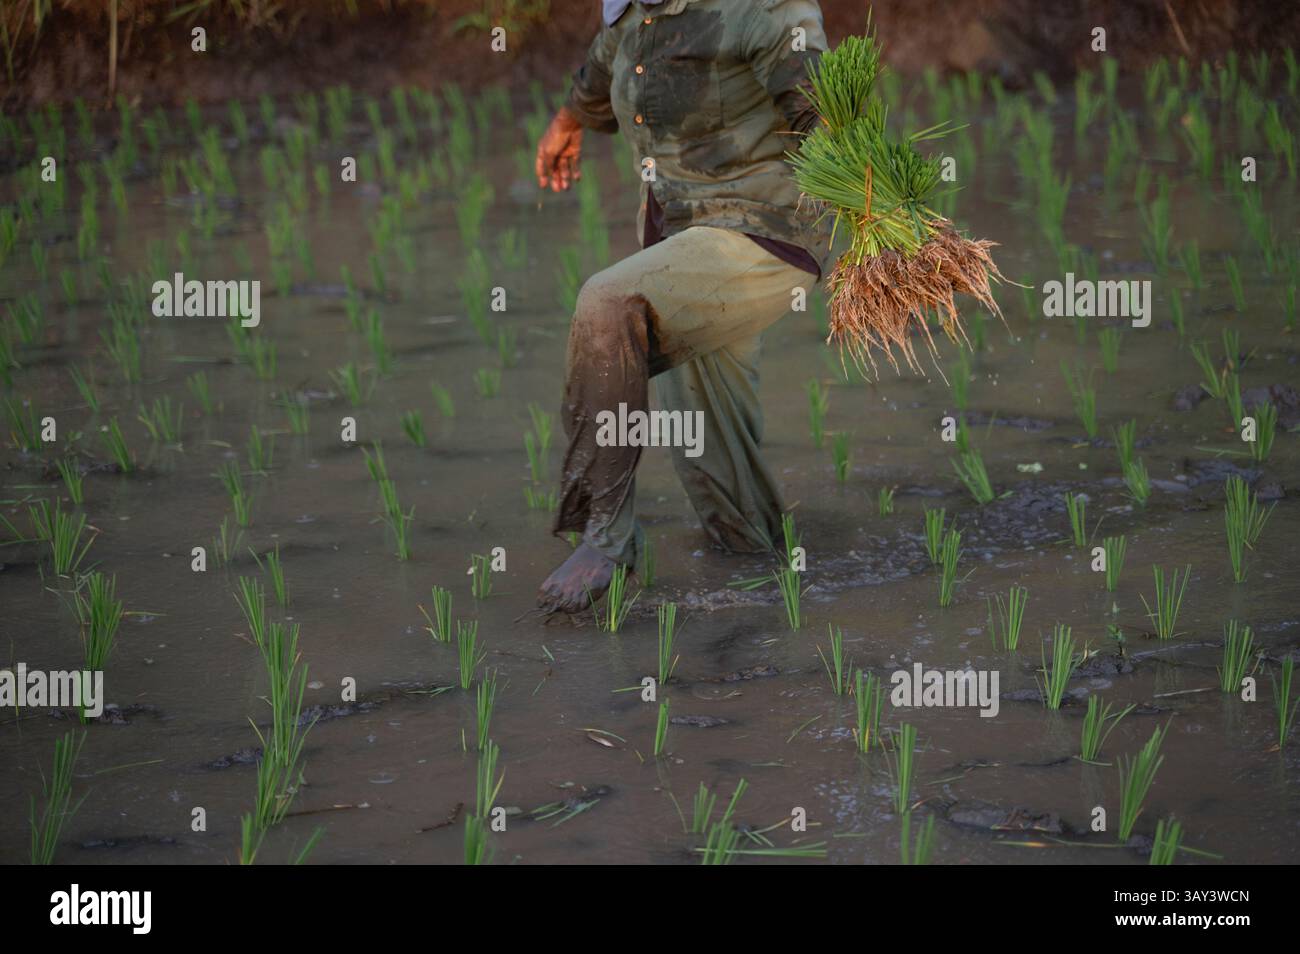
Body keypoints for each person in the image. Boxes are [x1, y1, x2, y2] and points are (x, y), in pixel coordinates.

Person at [534, 0, 834, 614]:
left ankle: (607, 538)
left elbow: (826, 117)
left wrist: (888, 223)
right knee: (725, 492)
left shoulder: (760, 8)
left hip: (766, 234)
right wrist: (567, 121)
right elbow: (604, 66)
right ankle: (770, 616)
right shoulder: (632, 11)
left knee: (609, 305)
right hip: (679, 242)